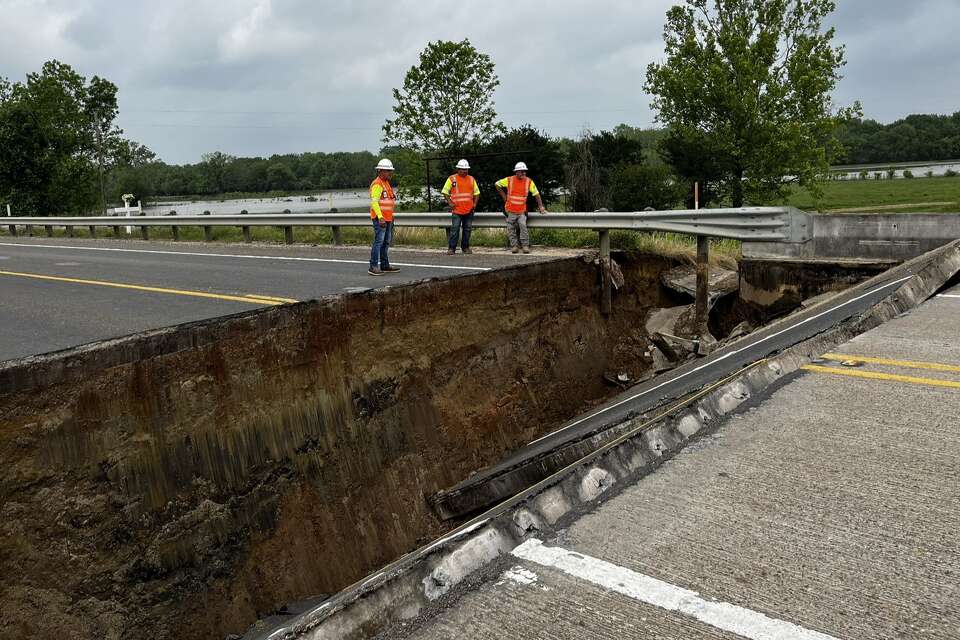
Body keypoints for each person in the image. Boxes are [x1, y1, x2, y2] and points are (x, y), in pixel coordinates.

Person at [495, 161, 547, 253]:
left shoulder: (529, 181)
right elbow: (497, 184)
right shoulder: (509, 180)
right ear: (516, 172)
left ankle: (525, 246)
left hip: (521, 211)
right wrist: (504, 196)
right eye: (522, 171)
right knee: (511, 229)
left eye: (525, 171)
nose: (524, 173)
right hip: (510, 210)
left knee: (523, 227)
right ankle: (514, 246)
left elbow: (536, 194)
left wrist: (541, 206)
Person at [368, 159, 400, 276]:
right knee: (379, 242)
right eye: (388, 171)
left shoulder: (386, 183)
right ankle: (373, 266)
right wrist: (380, 217)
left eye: (391, 171)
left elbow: (388, 201)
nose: (390, 173)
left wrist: (391, 216)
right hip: (380, 219)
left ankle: (385, 265)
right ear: (380, 171)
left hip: (387, 218)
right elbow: (374, 202)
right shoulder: (377, 184)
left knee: (386, 242)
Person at [441, 159, 480, 254]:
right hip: (457, 210)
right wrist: (450, 202)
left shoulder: (471, 179)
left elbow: (477, 193)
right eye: (463, 169)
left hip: (469, 209)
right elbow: (445, 192)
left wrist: (474, 204)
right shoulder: (452, 179)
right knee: (455, 229)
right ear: (458, 169)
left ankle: (465, 247)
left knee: (467, 230)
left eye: (466, 169)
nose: (465, 171)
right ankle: (451, 248)